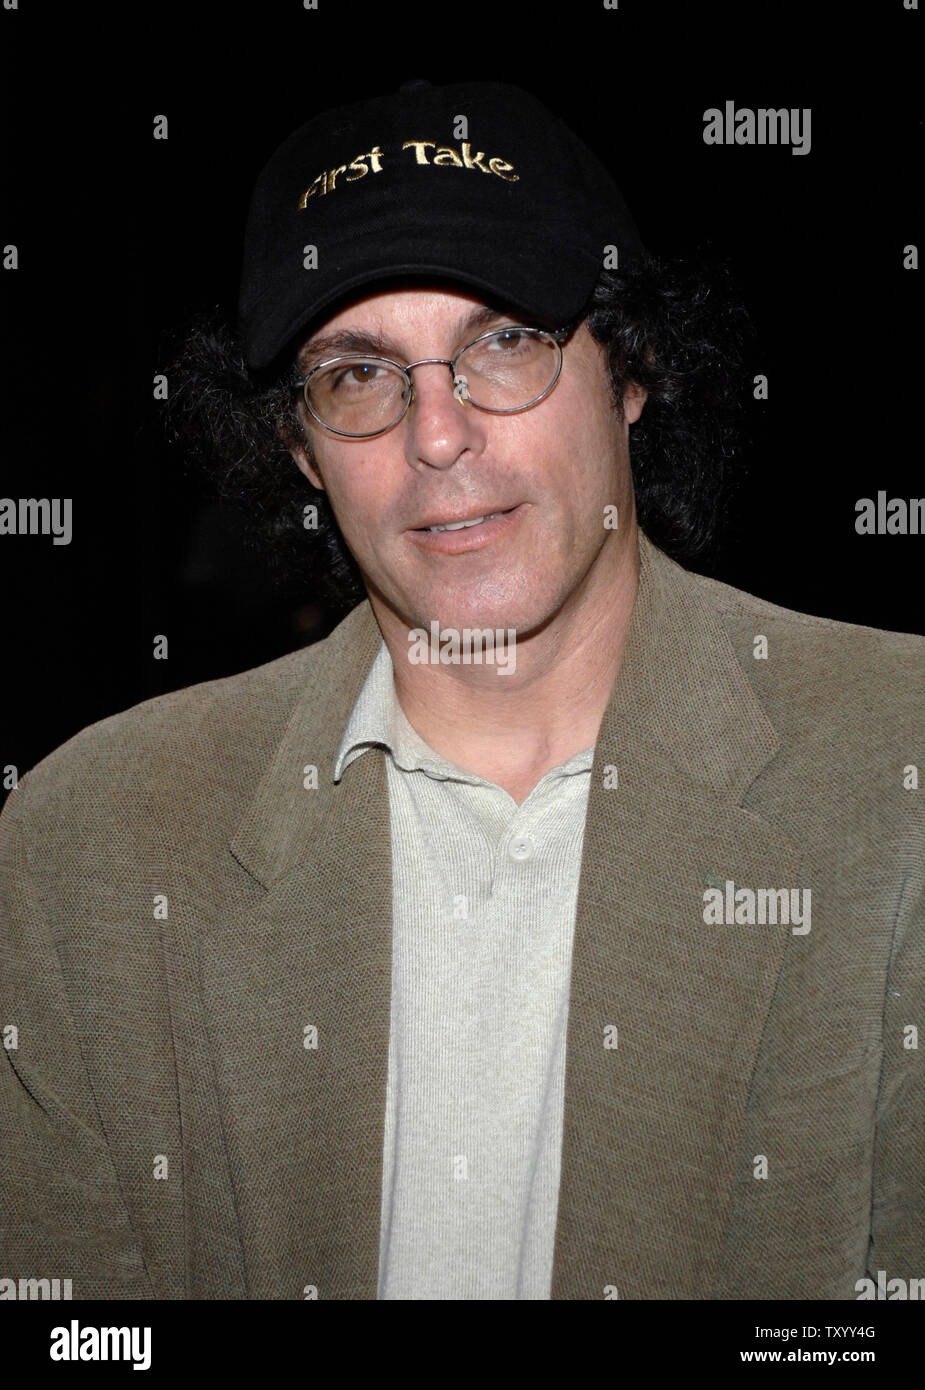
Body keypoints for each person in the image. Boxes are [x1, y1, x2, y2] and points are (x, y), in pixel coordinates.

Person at [0, 79, 921, 1302]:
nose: (437, 436)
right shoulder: (91, 846)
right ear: (299, 448)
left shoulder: (894, 770)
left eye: (503, 343)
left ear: (630, 371)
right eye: (360, 374)